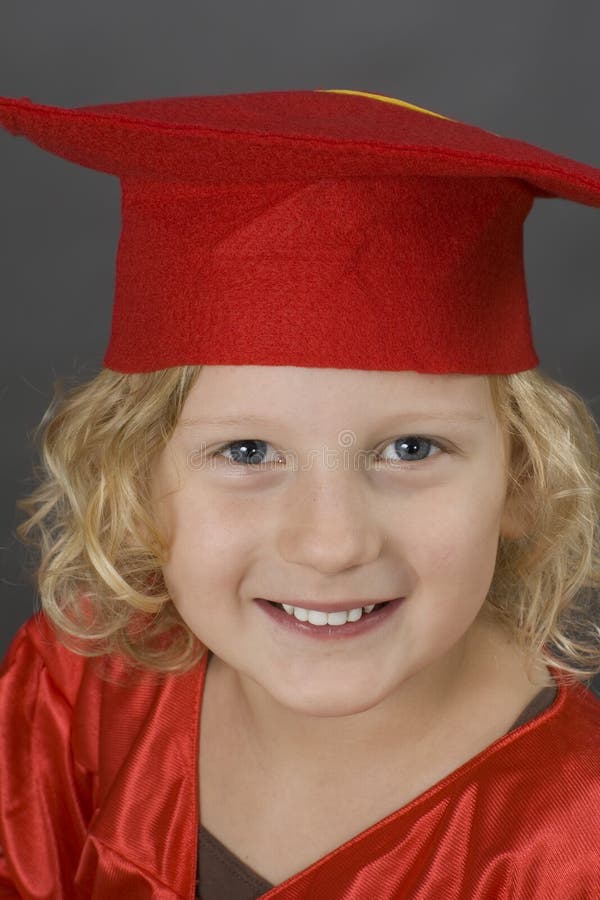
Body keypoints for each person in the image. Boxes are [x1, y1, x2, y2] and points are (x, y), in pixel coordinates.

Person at [0, 87, 599, 899]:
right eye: (248, 451)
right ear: (134, 485)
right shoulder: (81, 689)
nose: (331, 543)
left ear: (522, 478)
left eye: (411, 448)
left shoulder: (575, 848)